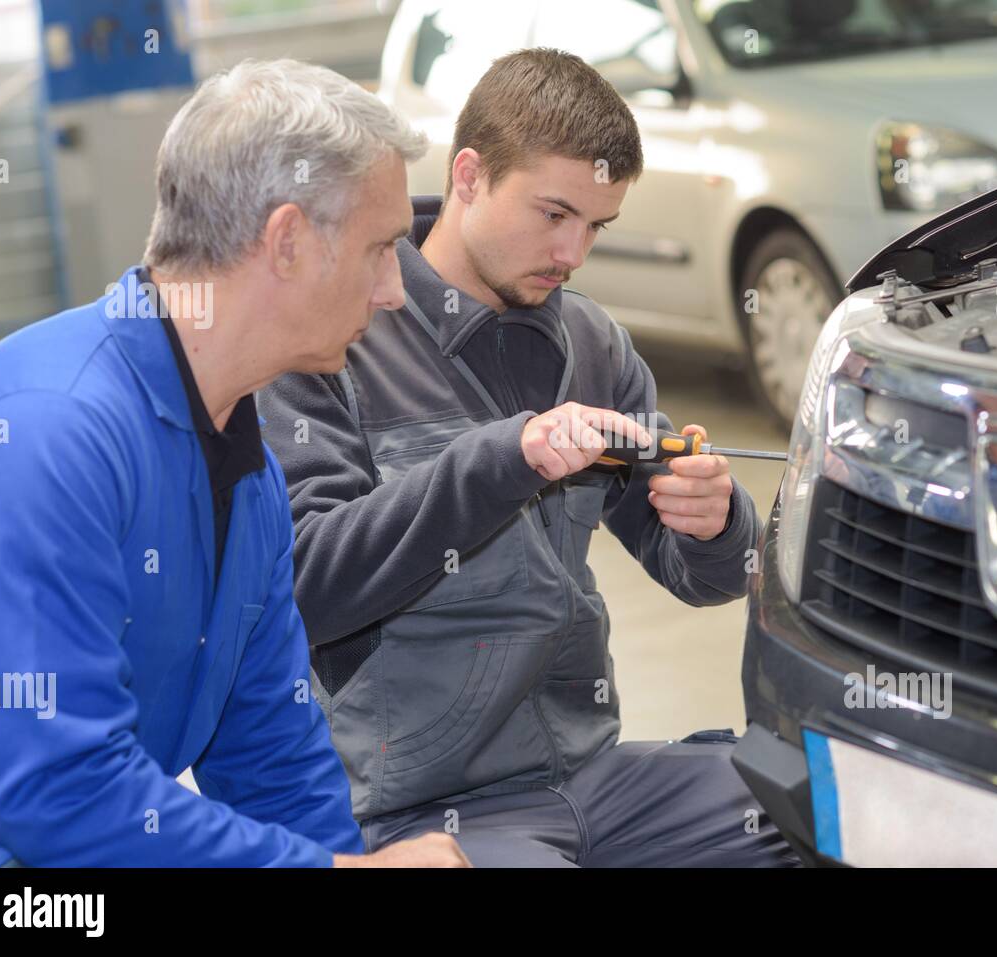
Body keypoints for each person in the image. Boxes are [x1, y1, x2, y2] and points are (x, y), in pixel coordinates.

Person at [260, 49, 800, 867]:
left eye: (596, 225)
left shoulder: (592, 344)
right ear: (470, 175)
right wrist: (507, 455)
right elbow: (310, 586)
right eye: (554, 214)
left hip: (598, 778)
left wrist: (716, 523)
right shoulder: (333, 341)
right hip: (427, 813)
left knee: (824, 821)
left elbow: (705, 577)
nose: (574, 251)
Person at [0, 59, 467, 868]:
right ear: (288, 241)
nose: (396, 290)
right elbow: (56, 795)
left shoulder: (246, 473)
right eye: (381, 248)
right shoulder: (51, 437)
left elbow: (273, 761)